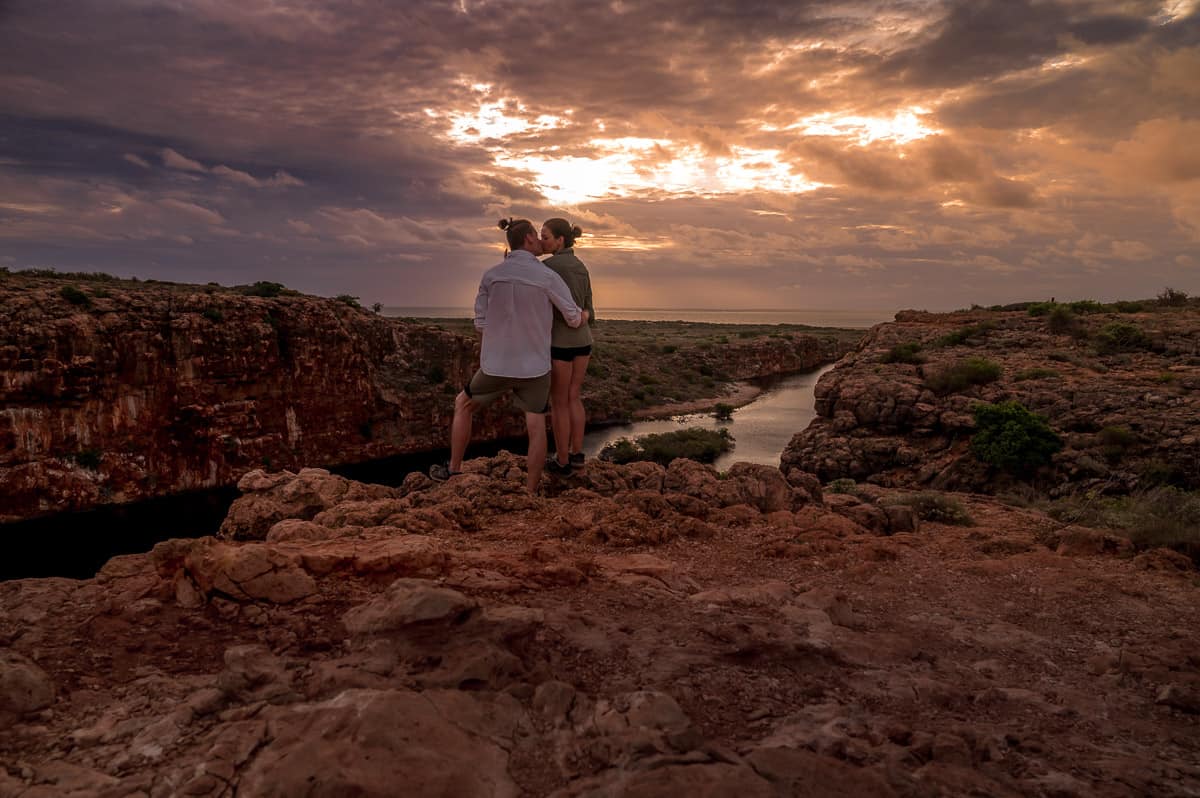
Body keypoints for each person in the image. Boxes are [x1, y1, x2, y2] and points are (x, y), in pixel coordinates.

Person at [430, 218, 588, 492]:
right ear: (528, 238)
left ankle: (454, 469)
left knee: (463, 404)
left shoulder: (491, 275)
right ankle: (529, 492)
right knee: (536, 426)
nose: (541, 241)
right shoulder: (547, 276)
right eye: (537, 237)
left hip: (496, 366)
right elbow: (573, 318)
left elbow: (479, 323)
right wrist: (585, 315)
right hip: (535, 369)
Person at [540, 218, 595, 474]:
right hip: (583, 341)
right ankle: (577, 456)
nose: (542, 241)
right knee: (574, 396)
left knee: (559, 401)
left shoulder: (547, 267)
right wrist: (581, 317)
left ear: (560, 240)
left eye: (546, 236)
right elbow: (590, 311)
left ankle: (561, 461)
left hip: (559, 342)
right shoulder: (581, 266)